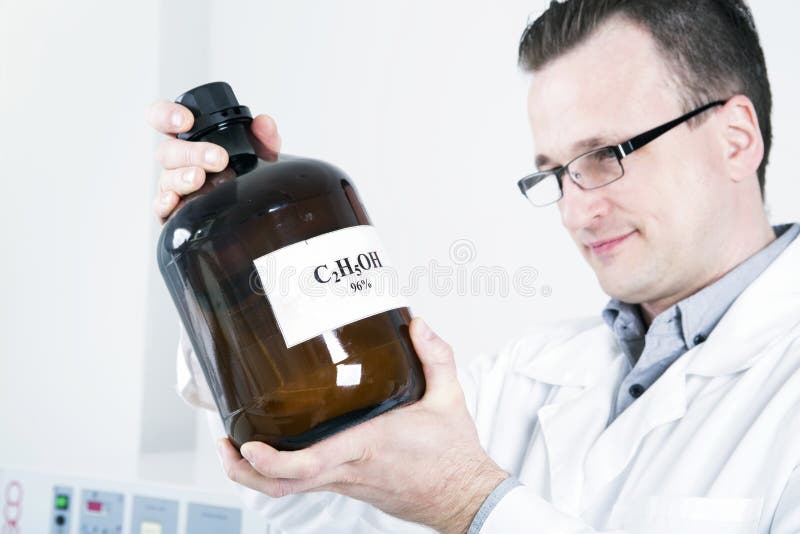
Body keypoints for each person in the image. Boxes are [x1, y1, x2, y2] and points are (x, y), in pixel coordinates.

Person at [146, 0, 800, 532]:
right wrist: (228, 272)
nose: (576, 212)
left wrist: (469, 502)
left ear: (735, 139)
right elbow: (325, 508)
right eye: (554, 174)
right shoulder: (531, 374)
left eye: (606, 154)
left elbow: (455, 496)